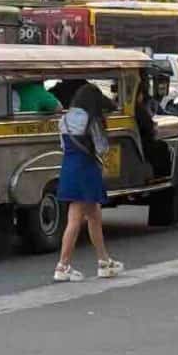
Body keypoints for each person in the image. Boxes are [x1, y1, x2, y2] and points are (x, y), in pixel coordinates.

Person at [54, 83, 124, 283]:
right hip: (86, 170)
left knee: (94, 216)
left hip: (69, 168)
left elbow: (62, 145)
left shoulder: (64, 120)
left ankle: (104, 261)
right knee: (75, 219)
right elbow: (102, 148)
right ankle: (63, 265)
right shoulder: (91, 120)